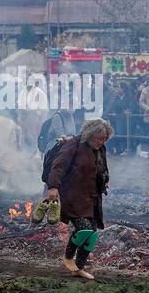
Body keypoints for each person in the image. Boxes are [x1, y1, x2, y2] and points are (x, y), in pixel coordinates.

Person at [44, 119, 112, 282]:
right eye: (98, 138)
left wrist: (104, 181)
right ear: (89, 134)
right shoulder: (73, 145)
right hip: (72, 195)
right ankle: (68, 257)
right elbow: (58, 165)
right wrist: (53, 187)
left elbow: (101, 168)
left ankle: (79, 268)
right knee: (83, 229)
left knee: (92, 234)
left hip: (92, 198)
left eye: (104, 138)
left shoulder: (101, 149)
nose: (100, 141)